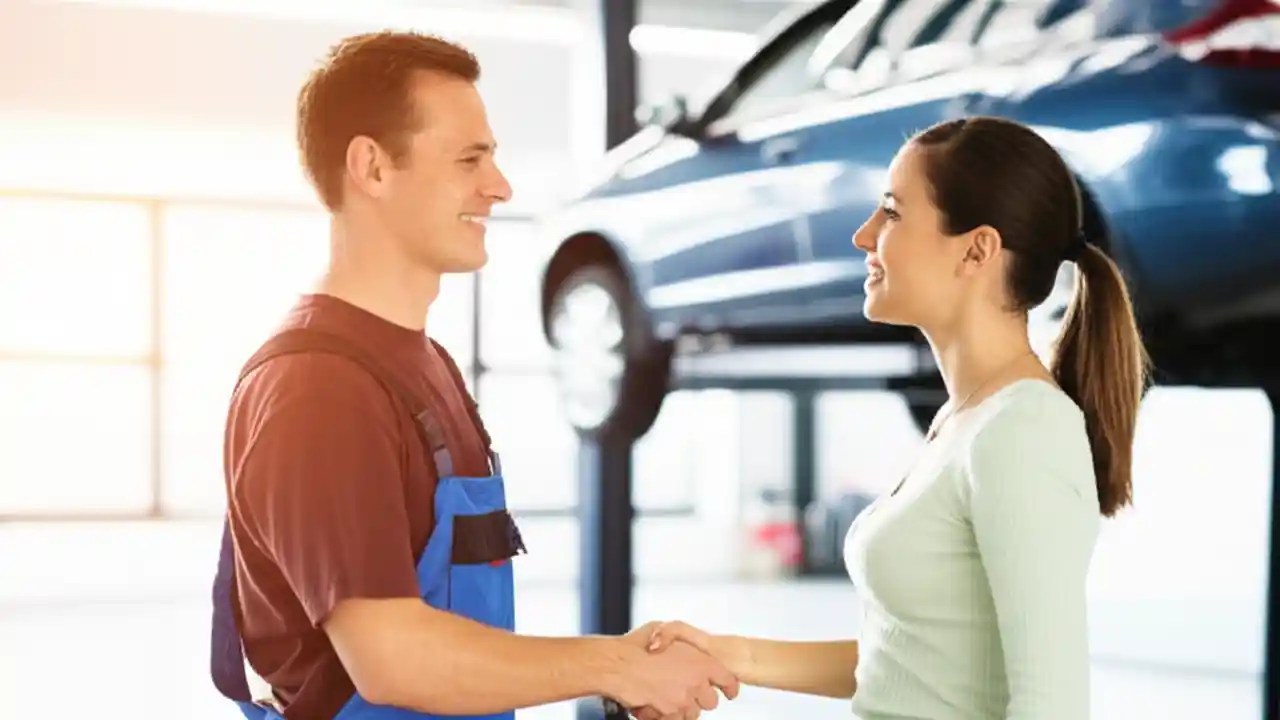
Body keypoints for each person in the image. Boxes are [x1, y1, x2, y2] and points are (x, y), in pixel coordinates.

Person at [208, 31, 738, 720]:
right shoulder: (319, 388)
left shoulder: (422, 364)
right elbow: (393, 659)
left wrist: (620, 666)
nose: (500, 186)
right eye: (469, 159)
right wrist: (614, 666)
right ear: (371, 167)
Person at [643, 115, 1151, 719]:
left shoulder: (1023, 430)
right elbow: (909, 664)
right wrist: (730, 654)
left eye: (892, 212)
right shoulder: (968, 421)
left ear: (977, 249)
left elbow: (1052, 705)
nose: (864, 235)